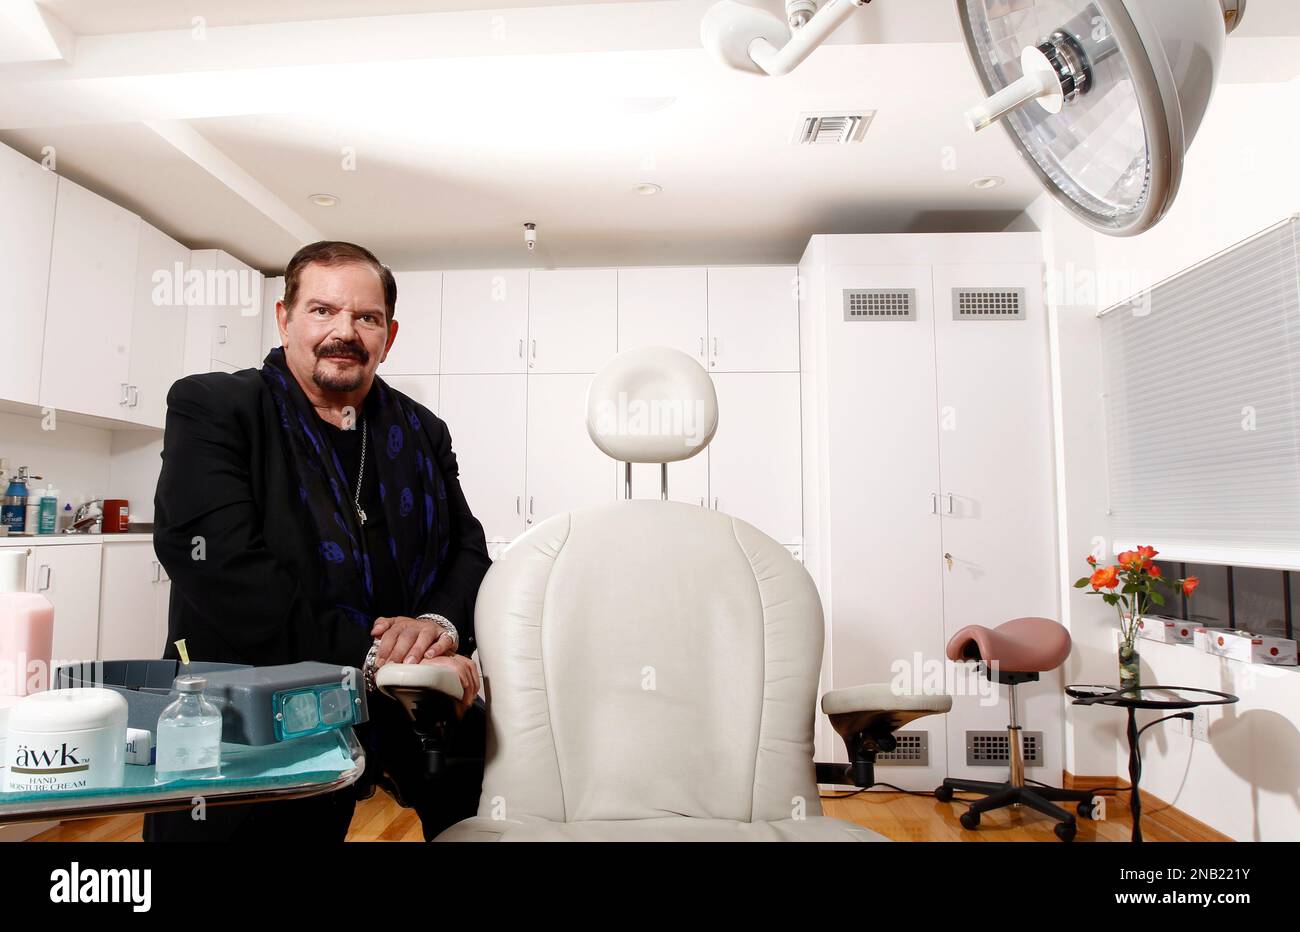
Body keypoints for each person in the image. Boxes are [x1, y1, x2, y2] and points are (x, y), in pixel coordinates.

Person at [142, 241, 490, 842]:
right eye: (322, 311)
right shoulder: (216, 406)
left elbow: (468, 548)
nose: (344, 332)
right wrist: (377, 653)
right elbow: (217, 563)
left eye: (366, 317)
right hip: (250, 713)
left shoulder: (422, 430)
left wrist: (438, 623)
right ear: (284, 319)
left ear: (389, 333)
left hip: (400, 703)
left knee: (485, 781)